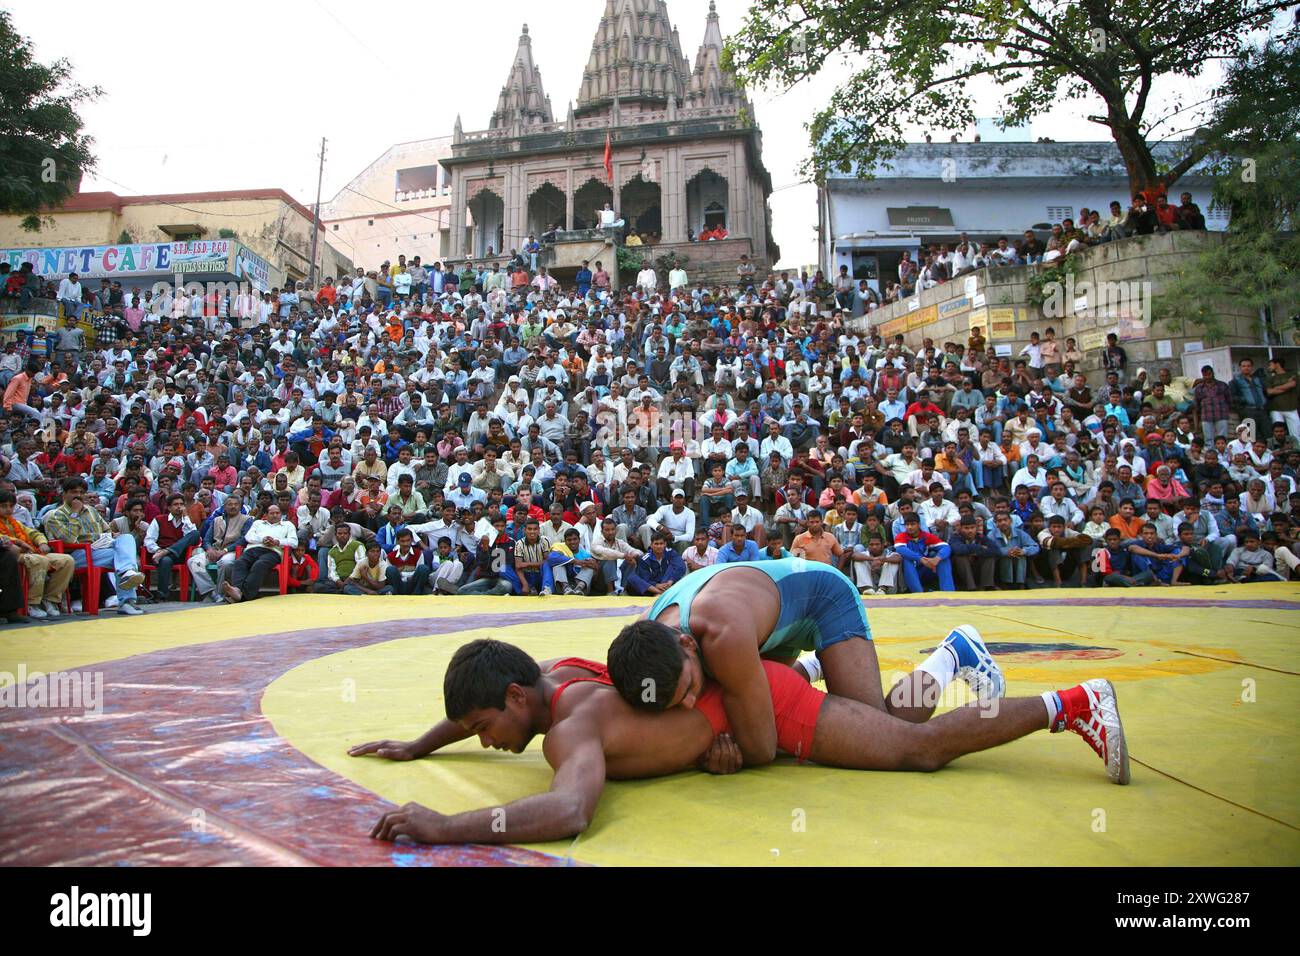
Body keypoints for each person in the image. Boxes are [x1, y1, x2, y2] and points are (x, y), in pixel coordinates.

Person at [351, 634, 1127, 845]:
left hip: (773, 713)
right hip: (744, 699)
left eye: (487, 730)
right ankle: (949, 660)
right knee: (897, 720)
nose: (483, 743)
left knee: (911, 750)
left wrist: (445, 825)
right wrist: (421, 745)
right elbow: (480, 702)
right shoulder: (554, 675)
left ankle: (1070, 704)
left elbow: (570, 815)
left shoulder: (571, 734)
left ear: (519, 699)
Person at [44, 477, 147, 615]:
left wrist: (112, 537)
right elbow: (69, 539)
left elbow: (107, 531)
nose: (78, 496)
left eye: (81, 492)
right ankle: (127, 600)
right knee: (125, 559)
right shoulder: (55, 515)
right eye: (74, 492)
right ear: (64, 494)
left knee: (126, 539)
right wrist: (74, 514)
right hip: (76, 555)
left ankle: (126, 585)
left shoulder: (91, 511)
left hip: (100, 550)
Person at [221, 504, 297, 603]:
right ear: (266, 515)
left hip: (273, 552)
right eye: (272, 513)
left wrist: (277, 542)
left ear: (281, 514)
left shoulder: (288, 525)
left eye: (277, 513)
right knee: (240, 562)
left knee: (259, 564)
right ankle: (238, 591)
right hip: (253, 549)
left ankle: (241, 595)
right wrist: (262, 539)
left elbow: (294, 542)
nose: (275, 515)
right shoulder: (258, 523)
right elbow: (248, 537)